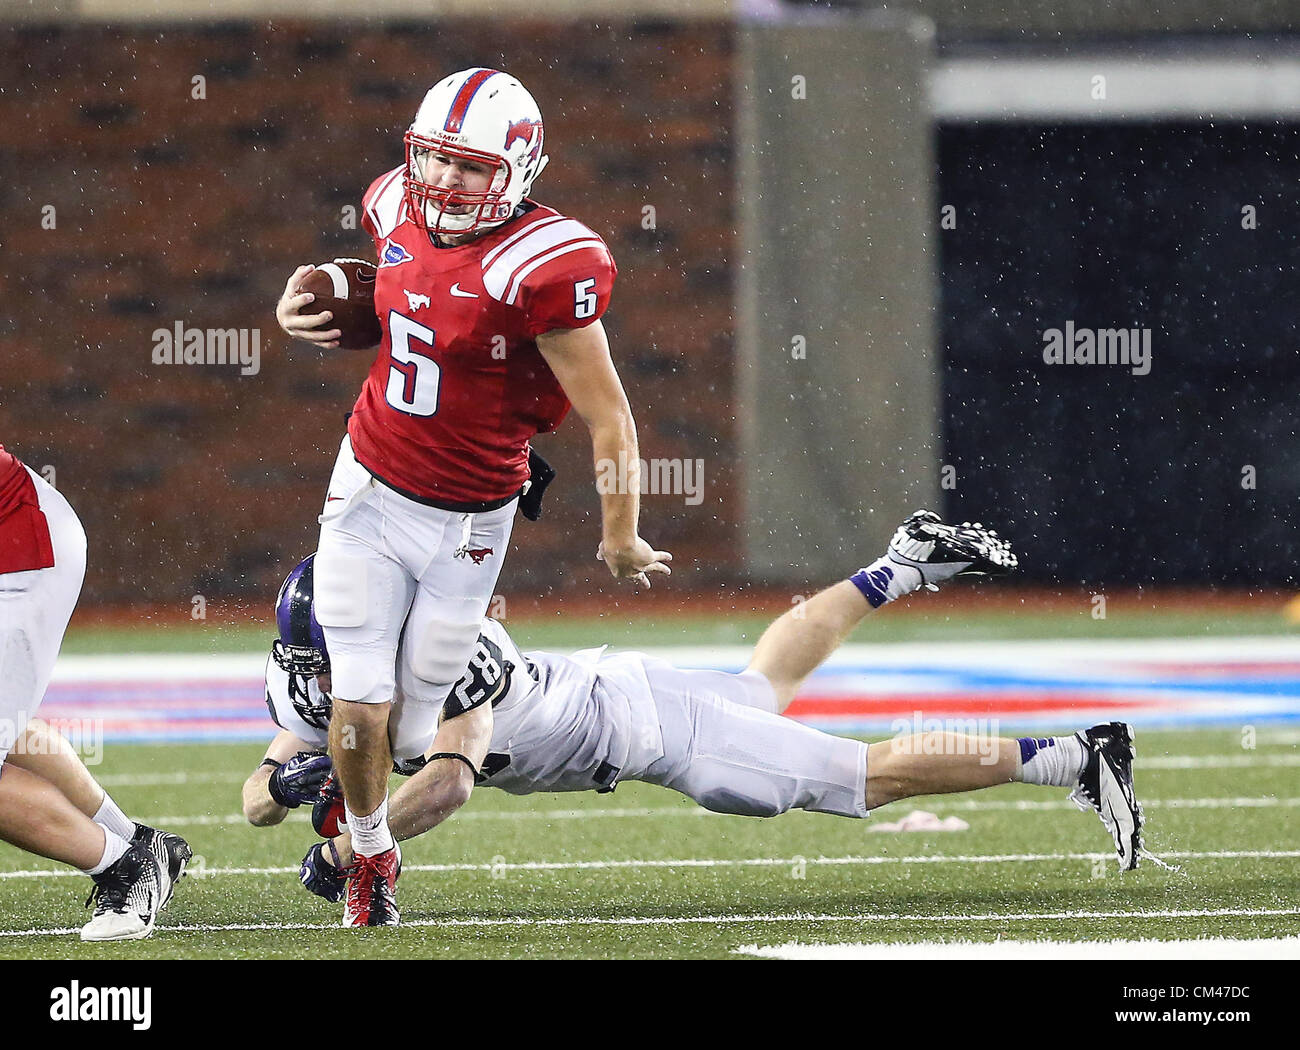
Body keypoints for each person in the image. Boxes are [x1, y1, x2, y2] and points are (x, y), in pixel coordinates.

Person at [246, 511, 1144, 919]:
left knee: (858, 780)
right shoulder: (318, 673)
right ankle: (903, 564)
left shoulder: (449, 655)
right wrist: (287, 781)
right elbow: (257, 796)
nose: (328, 677)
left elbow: (445, 785)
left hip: (646, 731)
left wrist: (345, 848)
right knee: (762, 686)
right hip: (618, 693)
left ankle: (1076, 757)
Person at [274, 67, 671, 926]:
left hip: (473, 511)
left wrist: (622, 536)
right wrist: (296, 308)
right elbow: (395, 299)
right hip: (370, 484)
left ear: (520, 168)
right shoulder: (390, 205)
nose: (446, 183)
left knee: (416, 729)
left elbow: (611, 418)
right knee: (360, 681)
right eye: (435, 160)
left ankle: (361, 804)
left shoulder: (547, 264)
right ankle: (372, 853)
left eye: (471, 166)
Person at [0, 445, 191, 940]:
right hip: (21, 537)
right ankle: (143, 845)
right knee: (7, 729)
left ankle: (125, 870)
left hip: (21, 554)